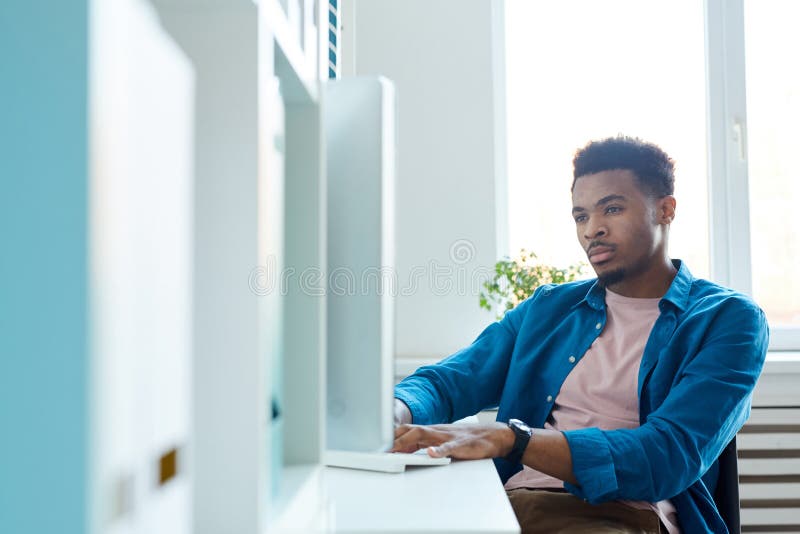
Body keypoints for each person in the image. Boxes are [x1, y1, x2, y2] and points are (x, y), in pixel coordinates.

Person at [391, 136, 769, 533]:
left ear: (665, 209)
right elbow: (453, 380)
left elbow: (666, 457)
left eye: (612, 209)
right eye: (580, 216)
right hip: (508, 505)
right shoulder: (549, 308)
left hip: (625, 513)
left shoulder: (729, 320)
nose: (593, 230)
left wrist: (512, 439)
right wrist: (393, 411)